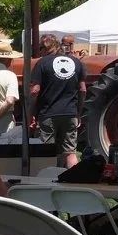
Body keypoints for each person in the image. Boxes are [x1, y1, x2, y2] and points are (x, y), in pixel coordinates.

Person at [27, 32, 89, 168]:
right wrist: (78, 113)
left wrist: (30, 113)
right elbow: (83, 90)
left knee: (46, 153)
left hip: (48, 114)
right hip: (70, 114)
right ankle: (75, 183)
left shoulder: (42, 63)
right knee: (70, 152)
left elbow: (35, 91)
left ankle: (46, 184)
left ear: (44, 48)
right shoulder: (76, 62)